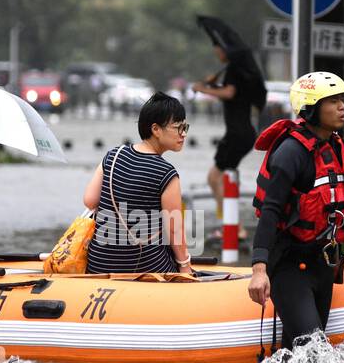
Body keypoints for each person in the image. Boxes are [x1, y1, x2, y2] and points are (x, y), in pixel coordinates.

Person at [247, 72, 344, 349]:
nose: (342, 107)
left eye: (342, 100)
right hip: (290, 266)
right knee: (314, 352)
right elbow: (270, 212)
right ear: (312, 108)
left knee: (298, 355)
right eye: (333, 101)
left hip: (322, 266)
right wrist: (258, 269)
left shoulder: (337, 146)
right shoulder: (291, 152)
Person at [83, 92, 192, 275]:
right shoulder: (167, 173)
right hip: (146, 267)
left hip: (98, 265)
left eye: (185, 127)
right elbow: (175, 229)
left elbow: (89, 200)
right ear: (156, 129)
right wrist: (185, 265)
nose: (183, 134)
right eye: (178, 128)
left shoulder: (113, 155)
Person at [193, 44, 266, 225]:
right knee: (227, 179)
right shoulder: (240, 72)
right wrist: (212, 84)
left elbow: (229, 92)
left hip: (237, 135)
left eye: (218, 48)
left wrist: (204, 89)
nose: (216, 52)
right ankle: (229, 225)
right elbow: (232, 94)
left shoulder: (233, 69)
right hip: (244, 134)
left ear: (227, 50)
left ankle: (232, 226)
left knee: (214, 178)